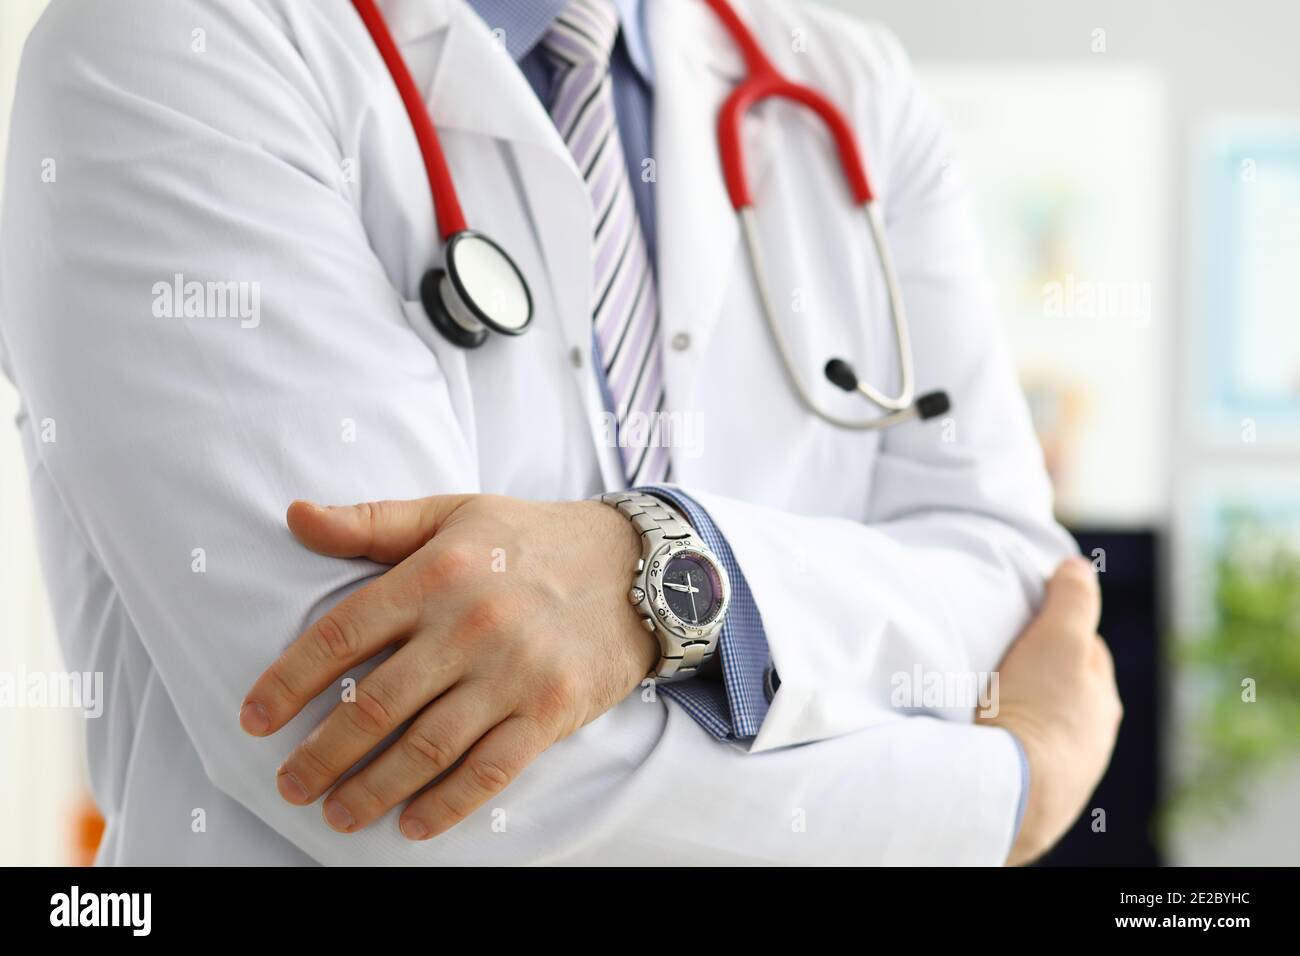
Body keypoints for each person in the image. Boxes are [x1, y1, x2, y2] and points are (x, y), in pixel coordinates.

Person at [0, 0, 1119, 865]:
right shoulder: (170, 45)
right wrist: (997, 795)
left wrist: (669, 568)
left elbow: (1014, 594)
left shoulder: (849, 91)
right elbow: (377, 760)